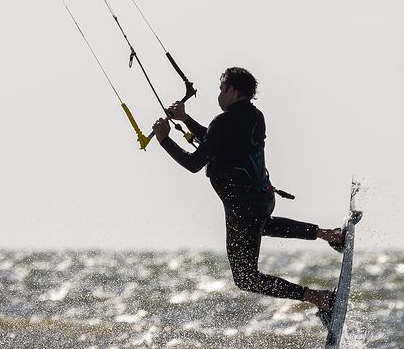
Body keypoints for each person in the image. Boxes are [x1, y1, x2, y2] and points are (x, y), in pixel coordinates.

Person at [152, 67, 356, 311]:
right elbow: (216, 141)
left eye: (221, 90)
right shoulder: (256, 116)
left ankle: (318, 298)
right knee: (263, 225)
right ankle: (330, 235)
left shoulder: (224, 121)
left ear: (233, 91)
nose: (218, 96)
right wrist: (185, 120)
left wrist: (164, 139)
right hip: (262, 200)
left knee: (245, 278)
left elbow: (195, 163)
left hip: (242, 209)